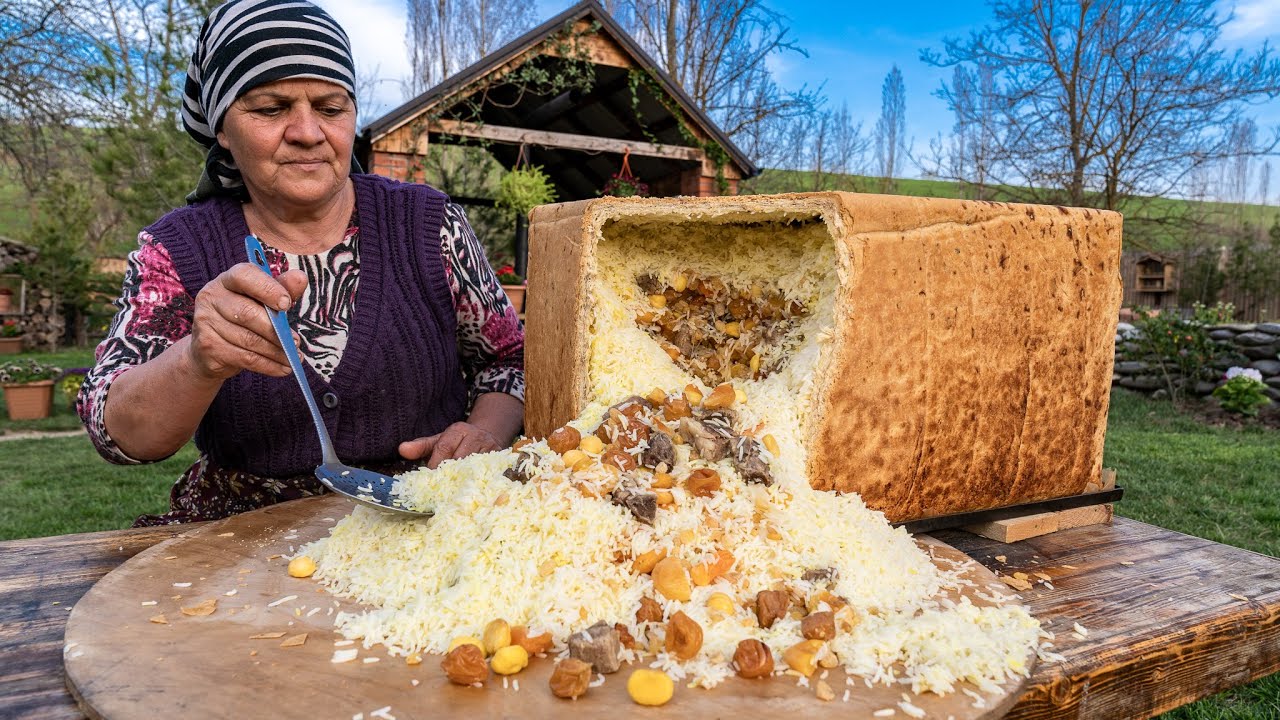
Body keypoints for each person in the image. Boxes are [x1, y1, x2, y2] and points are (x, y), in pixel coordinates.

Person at [77, 0, 525, 526]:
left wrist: (487, 432)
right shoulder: (177, 249)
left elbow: (508, 361)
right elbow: (117, 434)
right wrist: (197, 361)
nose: (309, 132)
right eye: (271, 108)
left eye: (332, 109)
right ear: (223, 128)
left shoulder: (429, 225)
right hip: (237, 544)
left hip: (421, 522)